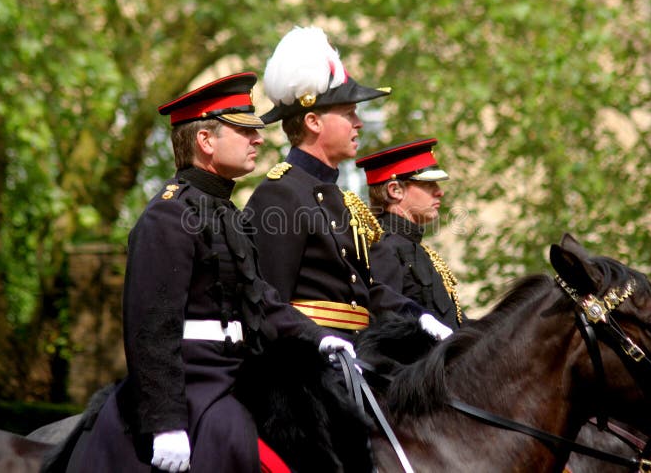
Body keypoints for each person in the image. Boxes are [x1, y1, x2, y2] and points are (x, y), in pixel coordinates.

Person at [64, 72, 354, 473]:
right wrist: (166, 423)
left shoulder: (225, 214)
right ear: (205, 141)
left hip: (235, 371)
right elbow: (150, 328)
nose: (258, 139)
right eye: (244, 131)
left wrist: (320, 339)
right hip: (194, 381)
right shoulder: (168, 215)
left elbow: (262, 301)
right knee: (235, 438)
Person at [245, 26, 452, 343]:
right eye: (349, 113)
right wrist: (318, 343)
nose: (358, 123)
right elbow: (268, 302)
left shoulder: (337, 198)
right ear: (314, 122)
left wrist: (419, 316)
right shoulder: (279, 193)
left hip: (353, 357)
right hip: (306, 368)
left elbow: (368, 291)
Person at [355, 138, 465, 330]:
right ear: (395, 190)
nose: (440, 192)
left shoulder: (415, 247)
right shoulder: (384, 247)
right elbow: (387, 327)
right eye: (429, 184)